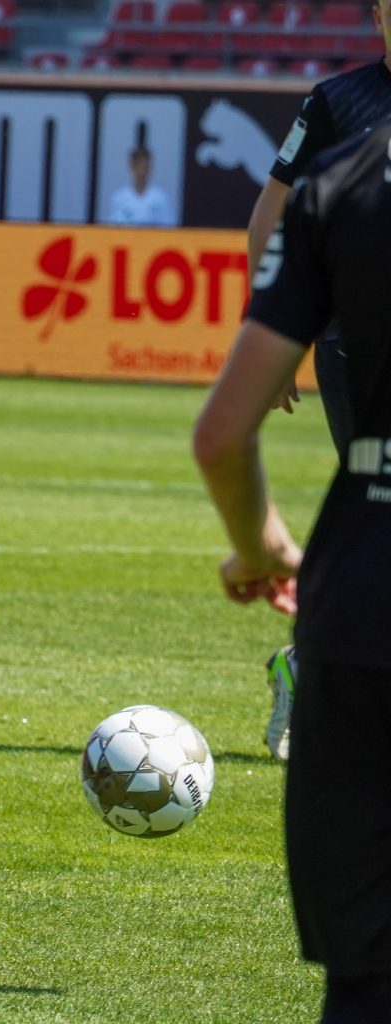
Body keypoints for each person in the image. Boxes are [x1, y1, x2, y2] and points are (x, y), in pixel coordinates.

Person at [195, 123, 391, 1024]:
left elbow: (221, 437)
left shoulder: (342, 182)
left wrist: (266, 546)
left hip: (362, 595)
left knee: (365, 977)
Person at [241, 16, 391, 762]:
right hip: (353, 342)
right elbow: (271, 211)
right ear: (378, 17)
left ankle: (310, 666)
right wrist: (272, 334)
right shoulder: (338, 102)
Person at [104, 146, 175, 227]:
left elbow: (169, 228)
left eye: (145, 166)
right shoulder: (119, 198)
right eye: (139, 165)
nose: (142, 170)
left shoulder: (161, 198)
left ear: (150, 168)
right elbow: (113, 228)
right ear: (131, 166)